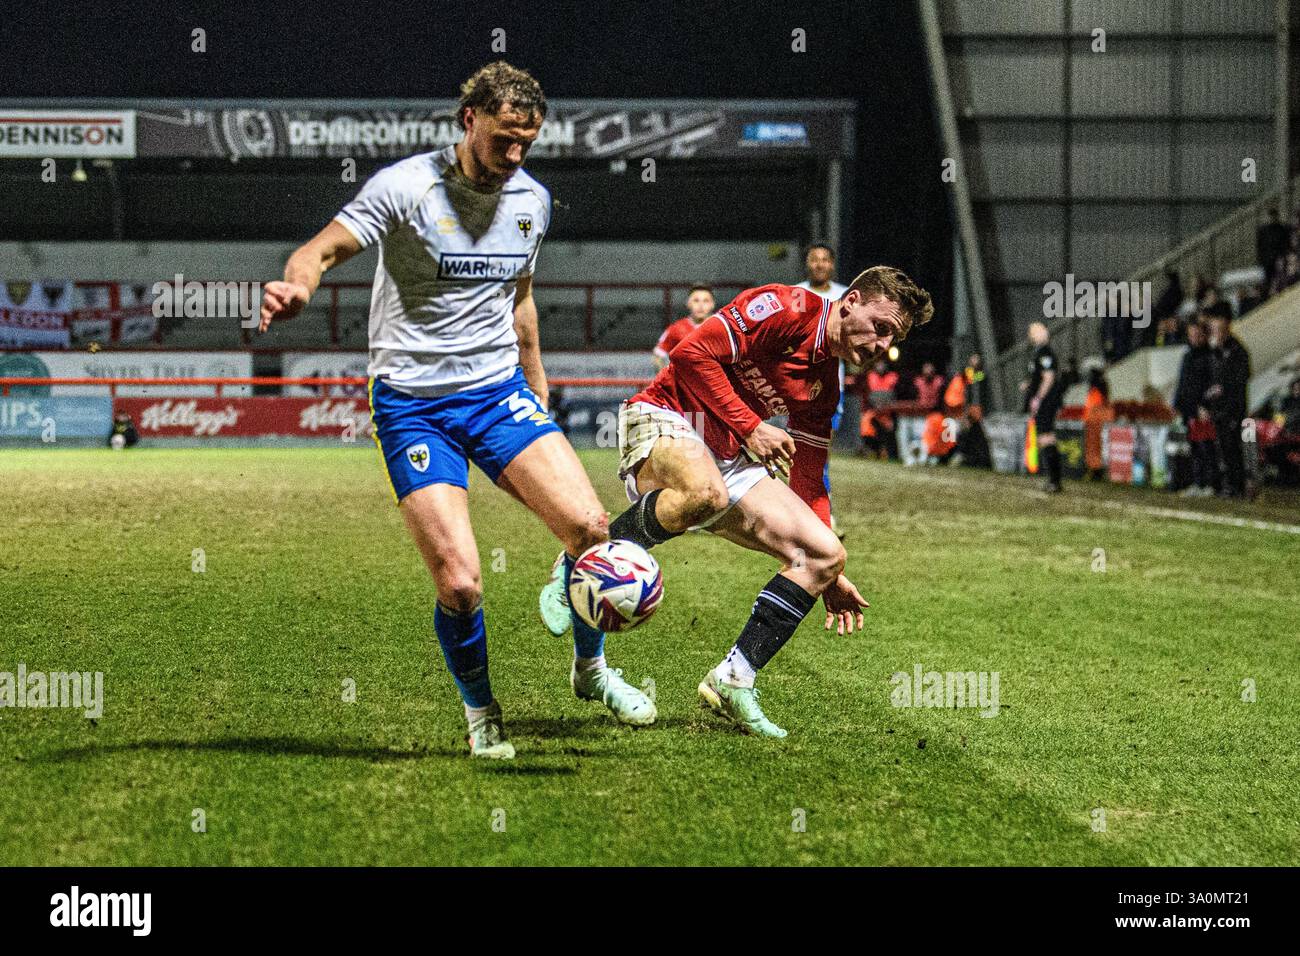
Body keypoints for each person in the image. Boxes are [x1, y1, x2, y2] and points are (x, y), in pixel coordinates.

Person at [259, 62, 654, 760]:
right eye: (503, 139)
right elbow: (317, 250)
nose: (514, 156)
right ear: (467, 120)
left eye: (526, 143)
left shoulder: (531, 199)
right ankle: (481, 711)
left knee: (592, 530)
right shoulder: (406, 188)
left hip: (498, 394)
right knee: (463, 582)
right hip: (412, 405)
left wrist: (535, 386)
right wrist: (298, 289)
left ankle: (592, 672)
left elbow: (521, 298)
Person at [541, 267, 933, 736]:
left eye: (893, 337)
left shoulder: (825, 386)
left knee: (824, 553)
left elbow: (809, 478)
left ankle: (732, 679)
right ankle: (575, 571)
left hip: (726, 458)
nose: (880, 344)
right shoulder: (788, 308)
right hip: (665, 416)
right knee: (707, 492)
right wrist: (750, 426)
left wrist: (834, 575)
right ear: (850, 301)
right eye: (881, 326)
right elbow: (690, 354)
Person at [795, 244, 850, 539]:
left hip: (830, 390)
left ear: (832, 264)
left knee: (818, 454)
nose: (819, 264)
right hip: (796, 387)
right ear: (807, 264)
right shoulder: (795, 294)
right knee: (799, 454)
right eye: (813, 259)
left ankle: (820, 516)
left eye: (824, 259)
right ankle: (816, 517)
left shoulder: (846, 295)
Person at [1205, 313, 1251, 498]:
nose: (1216, 334)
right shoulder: (1217, 352)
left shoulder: (1237, 351)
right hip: (1220, 409)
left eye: (1219, 330)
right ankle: (1229, 484)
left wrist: (1223, 388)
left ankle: (1237, 486)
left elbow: (1243, 377)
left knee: (1233, 448)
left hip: (1233, 408)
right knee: (1223, 448)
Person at [1173, 321, 1218, 496]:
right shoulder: (1188, 356)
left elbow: (1211, 384)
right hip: (1189, 409)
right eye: (1191, 335)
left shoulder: (1210, 357)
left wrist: (1205, 406)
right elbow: (1182, 382)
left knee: (1206, 447)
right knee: (1194, 448)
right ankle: (1198, 482)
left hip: (1202, 410)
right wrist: (1177, 404)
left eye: (1197, 335)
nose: (1194, 339)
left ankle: (1210, 484)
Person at [1021, 322, 1065, 493]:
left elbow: (1048, 378)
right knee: (1044, 437)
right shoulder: (1037, 353)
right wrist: (1029, 385)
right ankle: (1053, 480)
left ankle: (1055, 481)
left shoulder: (1046, 352)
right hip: (1044, 400)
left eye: (1037, 331)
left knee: (1046, 437)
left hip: (1047, 402)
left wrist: (1038, 398)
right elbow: (1039, 377)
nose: (1034, 334)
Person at [653, 284, 715, 370]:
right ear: (688, 303)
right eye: (696, 301)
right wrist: (666, 380)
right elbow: (658, 355)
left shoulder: (722, 326)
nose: (701, 305)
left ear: (712, 304)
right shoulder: (677, 328)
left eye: (706, 301)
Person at [1257, 207, 1290, 288]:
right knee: (1268, 280)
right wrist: (1261, 260)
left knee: (1280, 277)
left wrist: (1284, 256)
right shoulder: (1263, 230)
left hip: (1279, 257)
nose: (1272, 219)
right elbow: (1260, 246)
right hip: (1268, 260)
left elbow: (1286, 243)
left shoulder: (1282, 228)